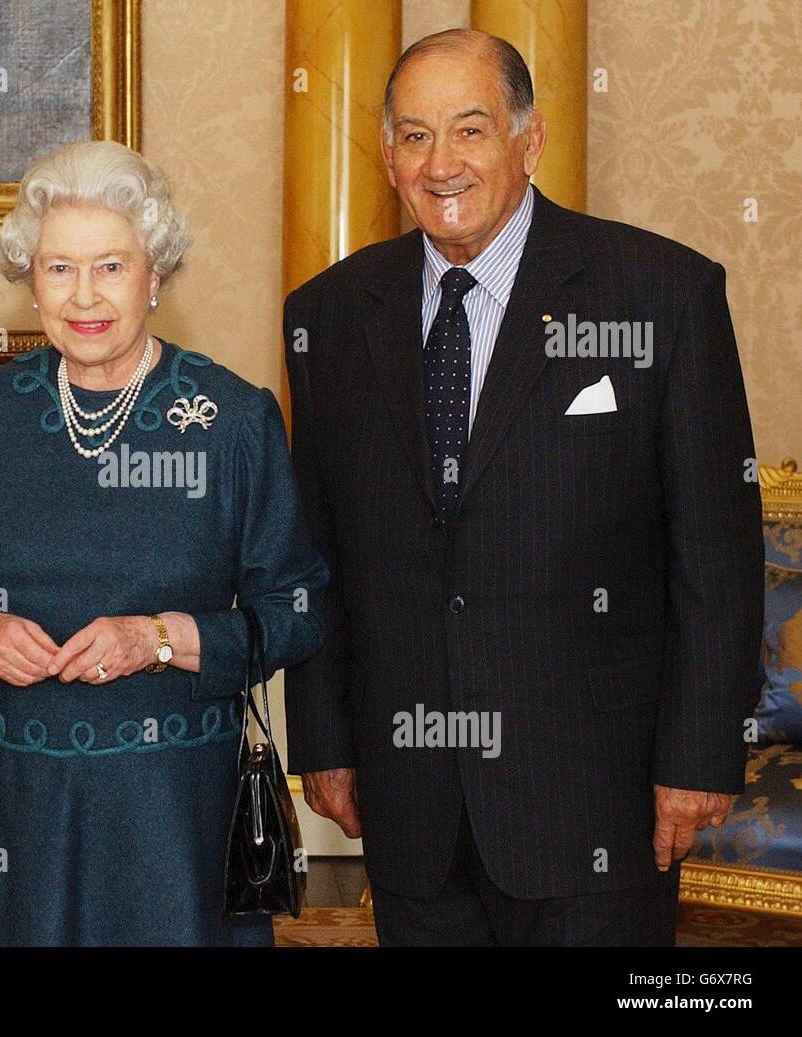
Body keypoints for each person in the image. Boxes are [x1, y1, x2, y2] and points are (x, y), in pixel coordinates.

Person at [284, 29, 762, 946]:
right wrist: (327, 738)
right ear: (386, 157)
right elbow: (319, 551)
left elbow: (717, 553)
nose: (442, 163)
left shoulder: (661, 294)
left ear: (529, 139)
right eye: (415, 136)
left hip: (599, 795)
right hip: (412, 793)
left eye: (470, 129)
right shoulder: (331, 316)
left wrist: (700, 754)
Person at [0, 140, 328, 946]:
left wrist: (159, 638)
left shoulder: (231, 419)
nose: (84, 295)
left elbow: (298, 608)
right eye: (59, 268)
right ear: (31, 281)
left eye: (111, 266)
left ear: (155, 276)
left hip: (166, 808)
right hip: (6, 799)